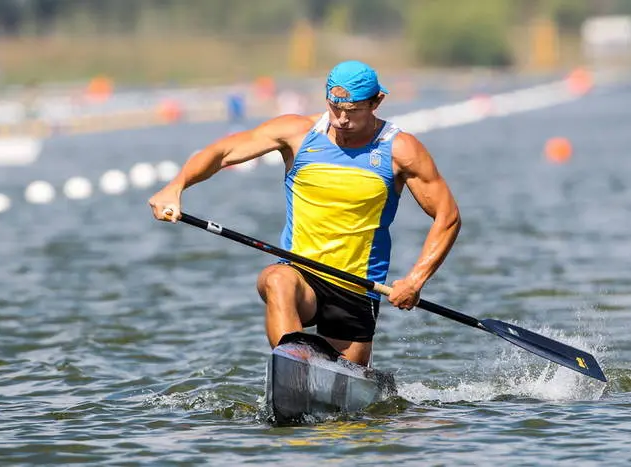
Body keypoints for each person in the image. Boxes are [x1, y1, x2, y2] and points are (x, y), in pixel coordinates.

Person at [149, 60, 461, 366]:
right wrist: (176, 186)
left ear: (376, 102)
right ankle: (294, 365)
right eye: (334, 108)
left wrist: (416, 281)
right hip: (302, 276)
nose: (340, 119)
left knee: (346, 412)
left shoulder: (400, 149)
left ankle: (313, 375)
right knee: (275, 280)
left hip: (356, 289)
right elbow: (221, 152)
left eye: (352, 111)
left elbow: (447, 217)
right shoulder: (296, 133)